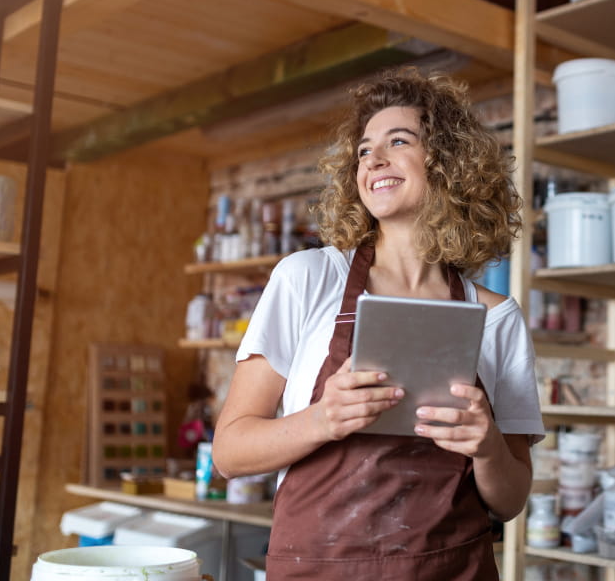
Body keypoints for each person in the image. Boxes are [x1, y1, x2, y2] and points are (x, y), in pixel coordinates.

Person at [213, 69, 543, 580]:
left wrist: (488, 445)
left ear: (447, 162)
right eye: (365, 151)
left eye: (398, 141)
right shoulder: (309, 278)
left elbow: (511, 499)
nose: (375, 160)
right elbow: (230, 453)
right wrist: (323, 419)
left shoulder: (496, 316)